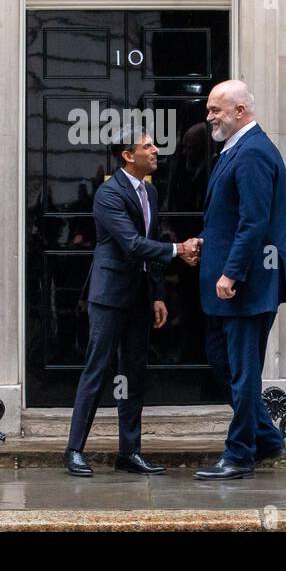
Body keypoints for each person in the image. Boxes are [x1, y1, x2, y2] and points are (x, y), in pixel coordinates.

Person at [64, 127, 202, 477]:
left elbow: (149, 243)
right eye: (148, 146)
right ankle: (74, 449)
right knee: (97, 371)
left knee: (134, 374)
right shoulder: (108, 194)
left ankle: (129, 451)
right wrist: (178, 250)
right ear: (128, 155)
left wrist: (157, 294)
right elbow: (132, 244)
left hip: (140, 297)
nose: (156, 150)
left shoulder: (151, 192)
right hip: (110, 296)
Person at [192, 81, 286, 481]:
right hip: (233, 283)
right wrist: (208, 244)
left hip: (247, 285)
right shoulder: (235, 149)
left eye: (216, 109)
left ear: (240, 111)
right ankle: (267, 439)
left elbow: (254, 222)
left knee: (242, 370)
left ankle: (239, 455)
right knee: (225, 363)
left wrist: (232, 271)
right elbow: (230, 218)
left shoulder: (253, 152)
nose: (209, 117)